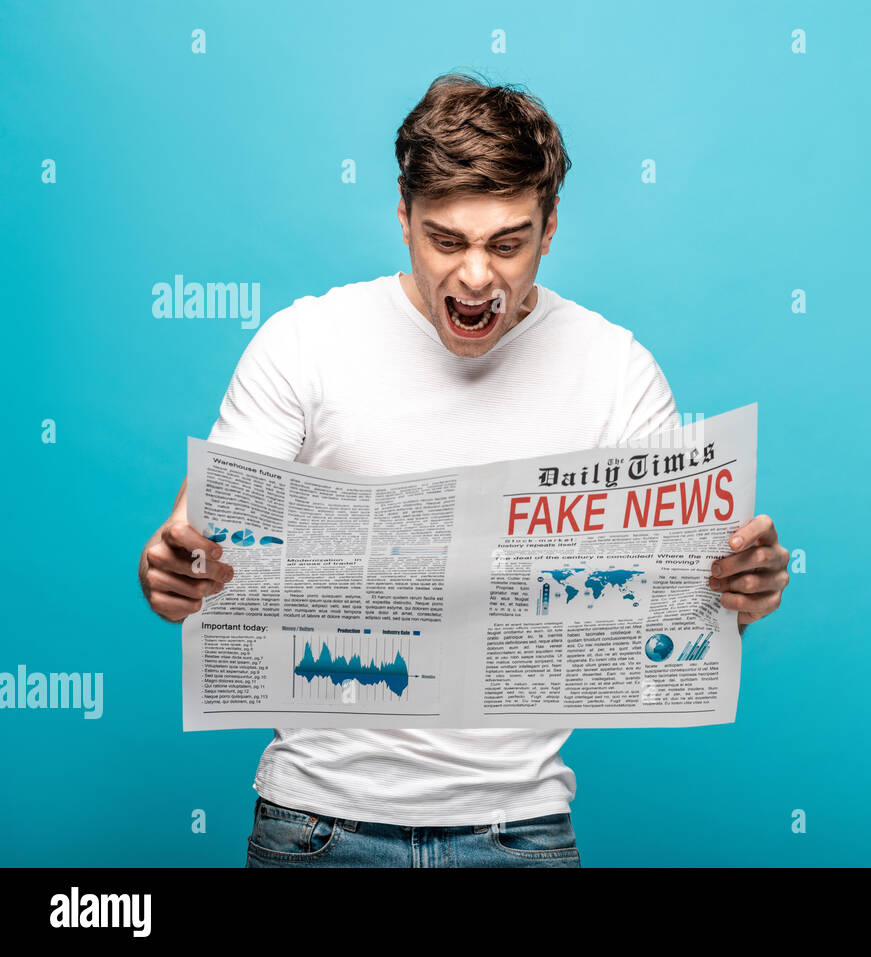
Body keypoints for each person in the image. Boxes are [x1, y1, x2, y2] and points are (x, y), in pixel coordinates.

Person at [137, 72, 791, 868]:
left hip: (519, 830)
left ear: (550, 228)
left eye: (507, 243)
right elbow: (192, 545)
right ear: (404, 219)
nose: (477, 277)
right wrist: (172, 570)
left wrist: (741, 593)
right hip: (315, 825)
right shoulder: (303, 343)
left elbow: (689, 604)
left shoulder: (615, 370)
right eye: (447, 240)